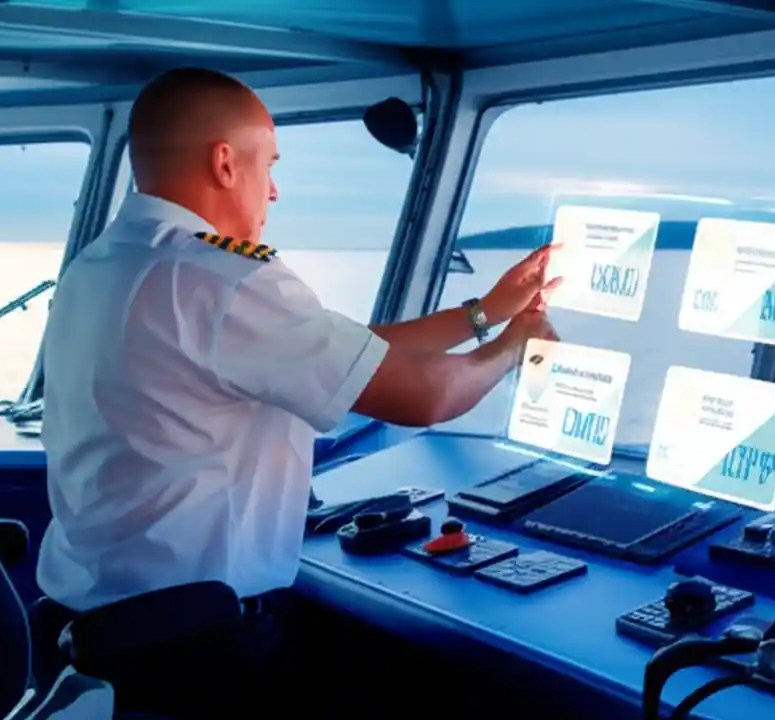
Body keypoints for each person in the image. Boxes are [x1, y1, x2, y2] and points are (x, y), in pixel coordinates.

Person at [31, 67, 559, 716]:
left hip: (101, 633)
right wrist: (517, 345)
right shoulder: (219, 276)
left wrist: (482, 313)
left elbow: (341, 352)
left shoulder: (107, 262)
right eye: (268, 164)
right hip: (197, 648)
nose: (274, 190)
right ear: (226, 163)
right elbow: (423, 398)